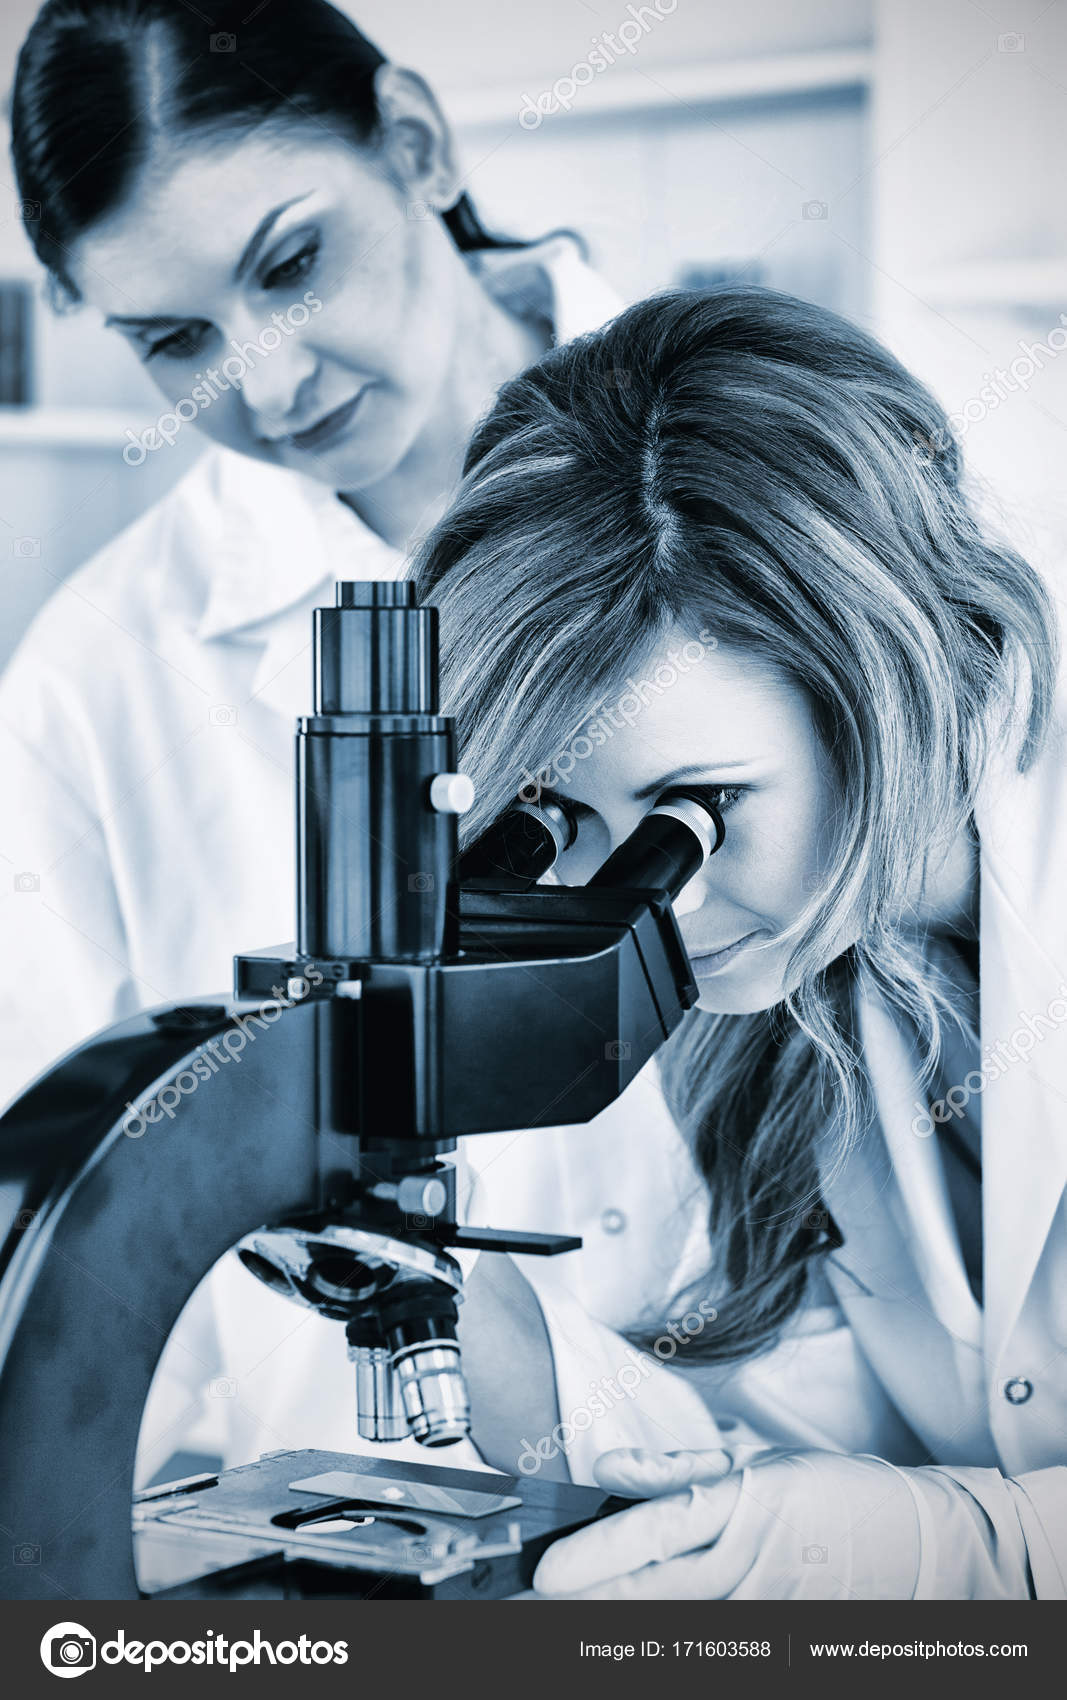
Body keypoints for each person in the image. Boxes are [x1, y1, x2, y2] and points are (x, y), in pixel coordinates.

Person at [0, 0, 638, 1485]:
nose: (271, 387)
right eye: (174, 341)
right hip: (353, 1493)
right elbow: (57, 1239)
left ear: (413, 142)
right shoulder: (97, 676)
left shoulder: (797, 462)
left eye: (291, 266)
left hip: (815, 1509)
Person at [410, 285, 1067, 1598]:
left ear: (884, 686)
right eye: (559, 823)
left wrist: (982, 1551)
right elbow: (817, 1455)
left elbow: (936, 1524)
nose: (649, 903)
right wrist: (476, 1331)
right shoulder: (821, 975)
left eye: (695, 818)